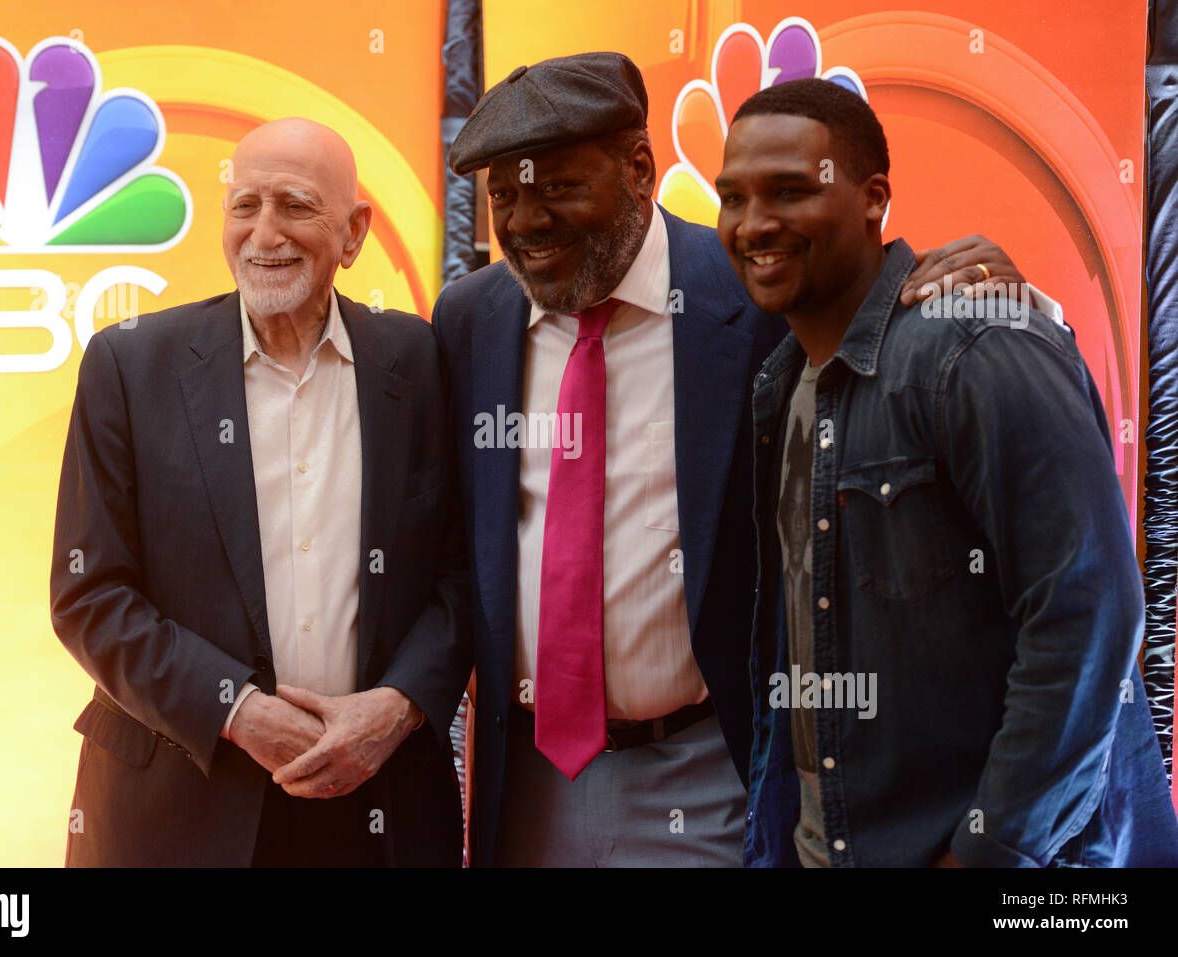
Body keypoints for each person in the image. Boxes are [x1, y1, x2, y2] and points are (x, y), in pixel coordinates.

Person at [434, 52, 1034, 866]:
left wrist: (983, 282)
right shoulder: (470, 319)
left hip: (709, 769)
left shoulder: (754, 289)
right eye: (504, 195)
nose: (527, 220)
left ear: (640, 168)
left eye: (560, 186)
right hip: (529, 779)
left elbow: (879, 309)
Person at [716, 77, 1178, 866]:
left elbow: (1088, 612)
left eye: (790, 192)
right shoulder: (780, 384)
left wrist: (991, 848)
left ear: (873, 199)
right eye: (734, 197)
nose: (755, 223)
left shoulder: (973, 343)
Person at [50, 118, 469, 866]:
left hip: (379, 806)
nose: (263, 232)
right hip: (176, 813)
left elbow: (460, 577)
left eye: (296, 205)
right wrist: (237, 711)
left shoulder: (418, 358)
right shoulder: (130, 366)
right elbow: (91, 597)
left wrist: (397, 707)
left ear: (354, 233)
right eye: (244, 205)